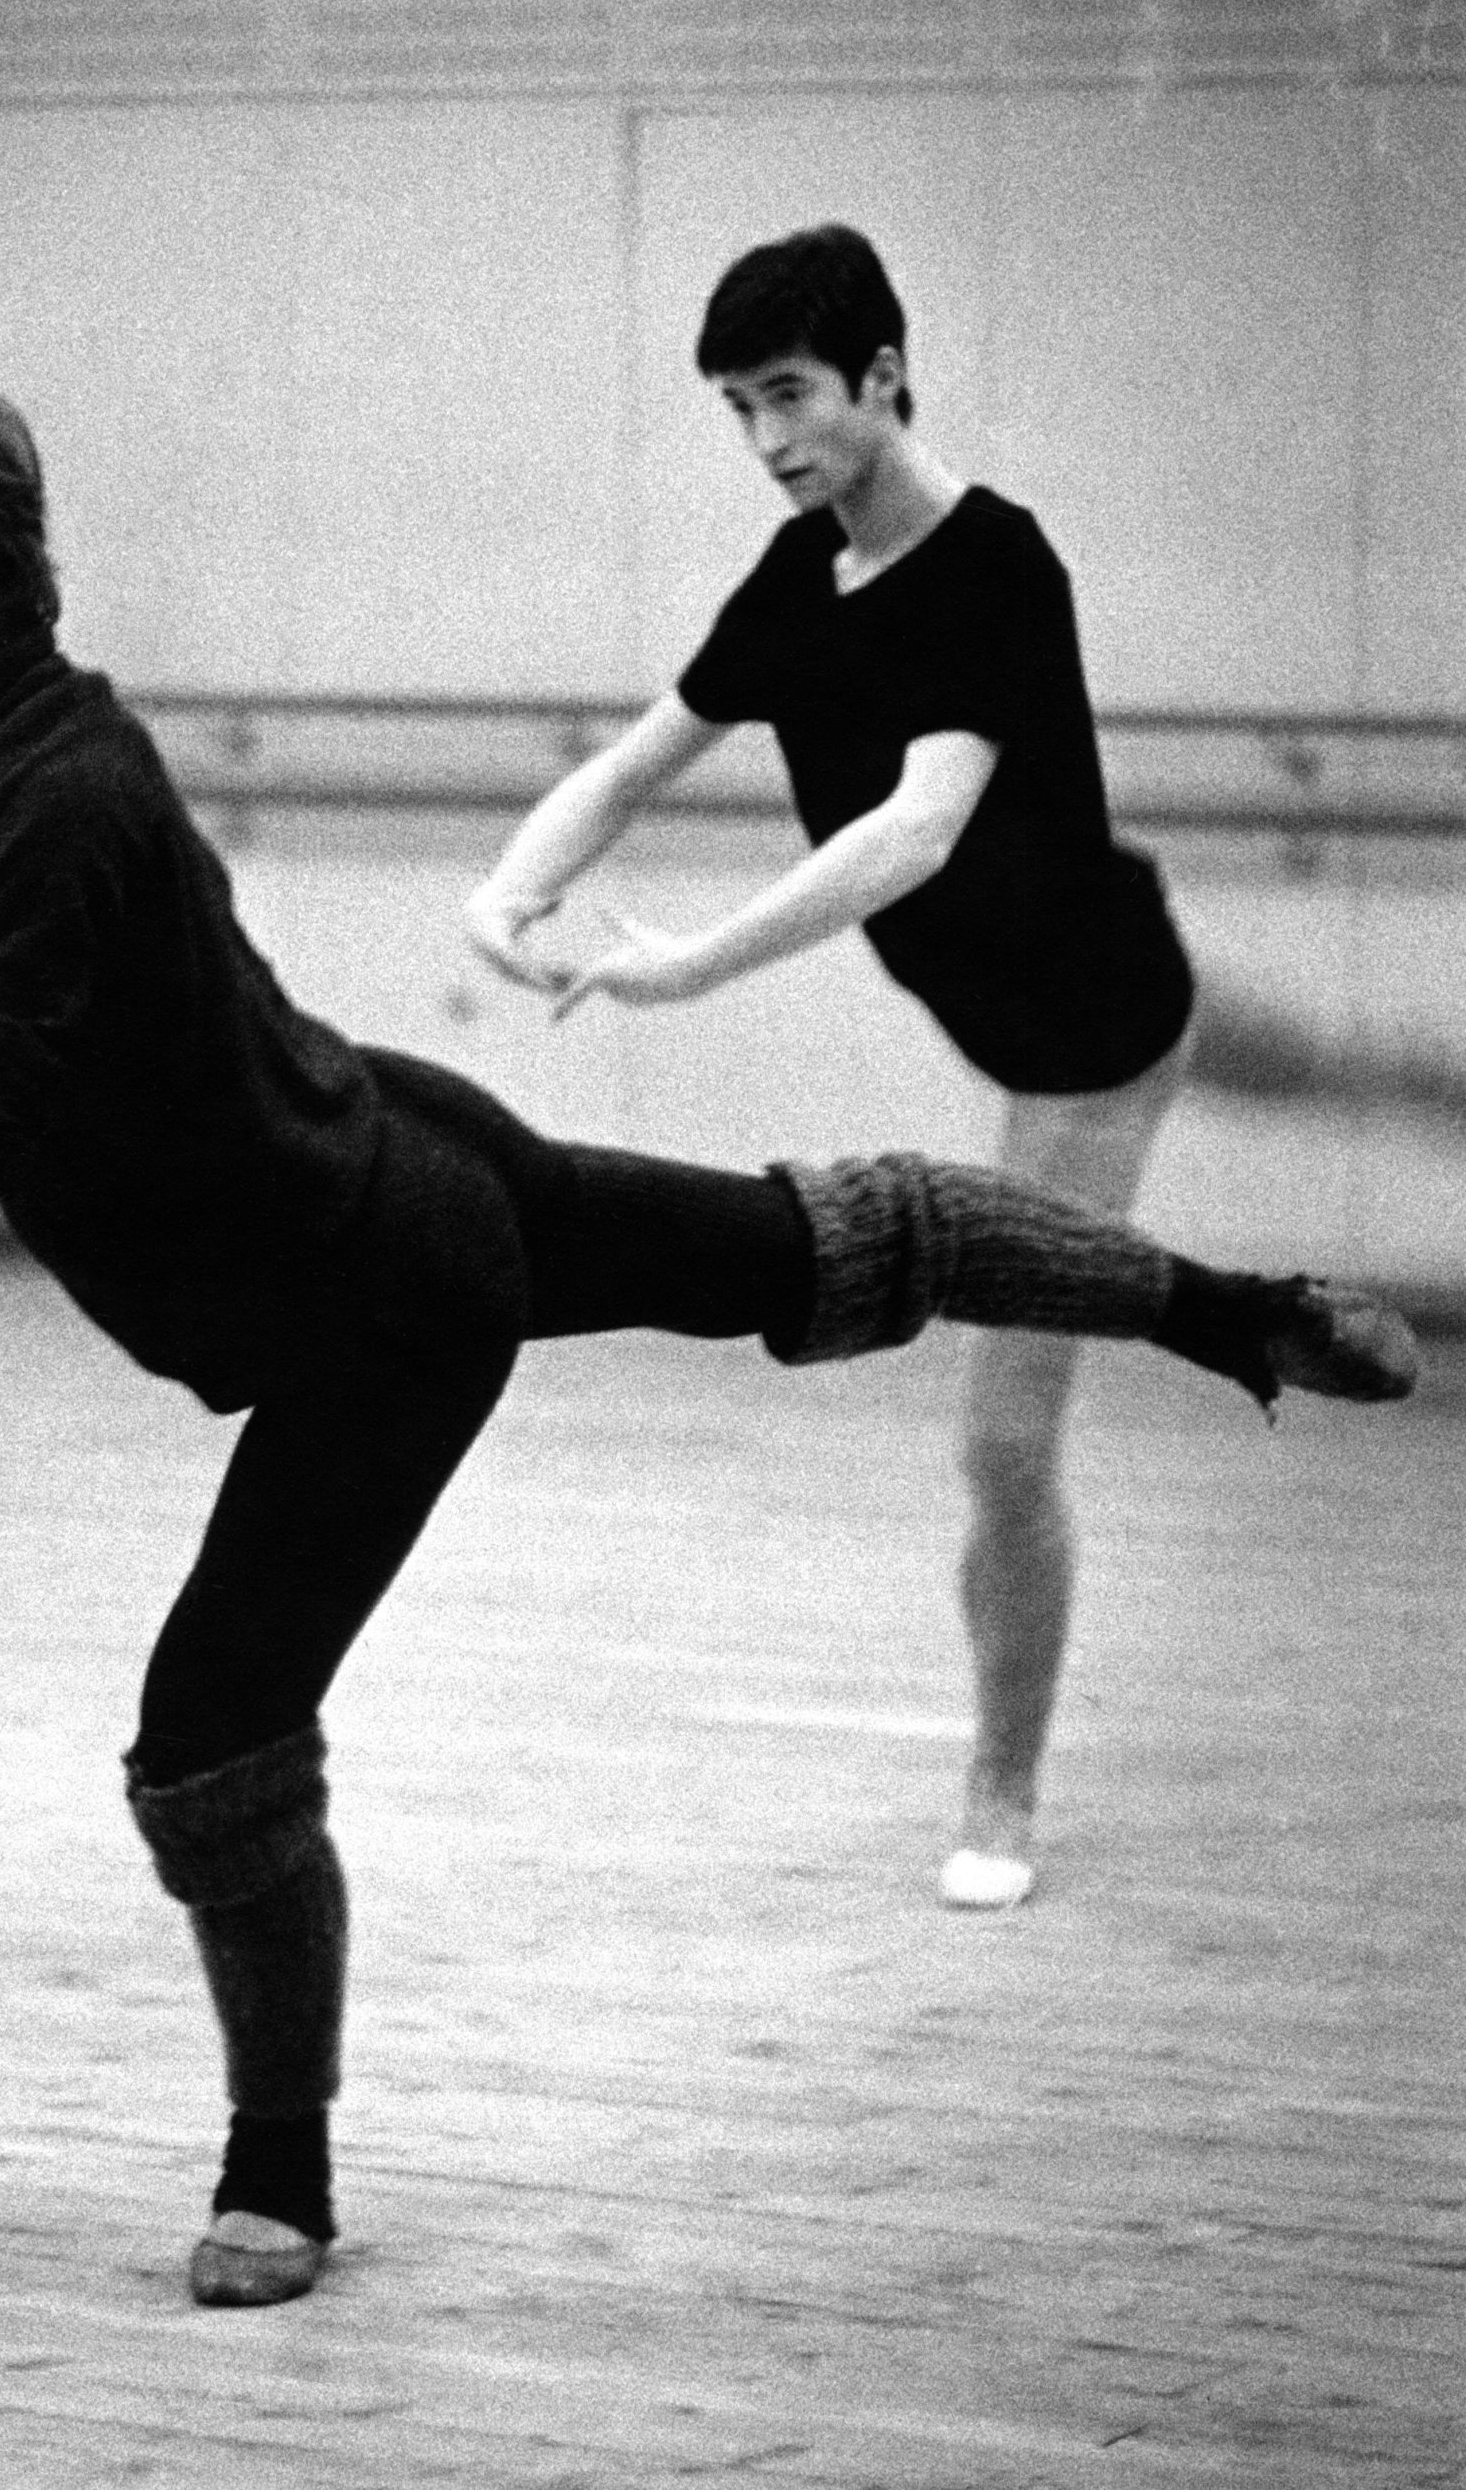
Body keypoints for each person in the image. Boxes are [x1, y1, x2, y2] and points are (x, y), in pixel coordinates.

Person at [0, 366, 1413, 2310]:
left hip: (377, 1294)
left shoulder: (54, 787)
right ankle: (1229, 1312)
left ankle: (279, 2184)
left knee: (207, 1739)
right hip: (404, 1150)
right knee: (815, 1241)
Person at [467, 223, 1203, 1918]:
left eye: (788, 395)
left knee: (1002, 1447)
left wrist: (687, 962)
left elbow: (913, 832)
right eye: (736, 408)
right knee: (1296, 1057)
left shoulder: (998, 566)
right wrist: (512, 880)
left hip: (1081, 1047)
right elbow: (640, 756)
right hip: (1041, 986)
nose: (768, 439)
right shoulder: (799, 578)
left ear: (881, 373)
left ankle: (999, 1789)